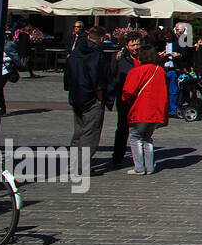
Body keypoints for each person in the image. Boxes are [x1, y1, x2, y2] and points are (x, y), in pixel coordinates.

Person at [64, 26, 110, 168]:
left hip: (76, 96)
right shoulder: (97, 54)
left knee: (79, 132)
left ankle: (73, 162)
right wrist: (100, 98)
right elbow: (98, 79)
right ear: (101, 39)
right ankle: (80, 166)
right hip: (91, 98)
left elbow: (67, 76)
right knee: (90, 134)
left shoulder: (76, 52)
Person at [121, 44, 169, 175]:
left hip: (140, 109)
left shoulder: (136, 71)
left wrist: (125, 99)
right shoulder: (160, 71)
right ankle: (150, 166)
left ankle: (139, 167)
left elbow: (128, 91)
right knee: (147, 138)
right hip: (156, 111)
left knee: (135, 137)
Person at [107, 30, 143, 169]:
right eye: (133, 45)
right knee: (122, 128)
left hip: (140, 99)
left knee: (140, 129)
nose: (135, 48)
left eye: (138, 45)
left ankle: (139, 157)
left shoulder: (144, 58)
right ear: (127, 46)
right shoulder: (120, 58)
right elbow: (113, 77)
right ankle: (118, 156)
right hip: (125, 98)